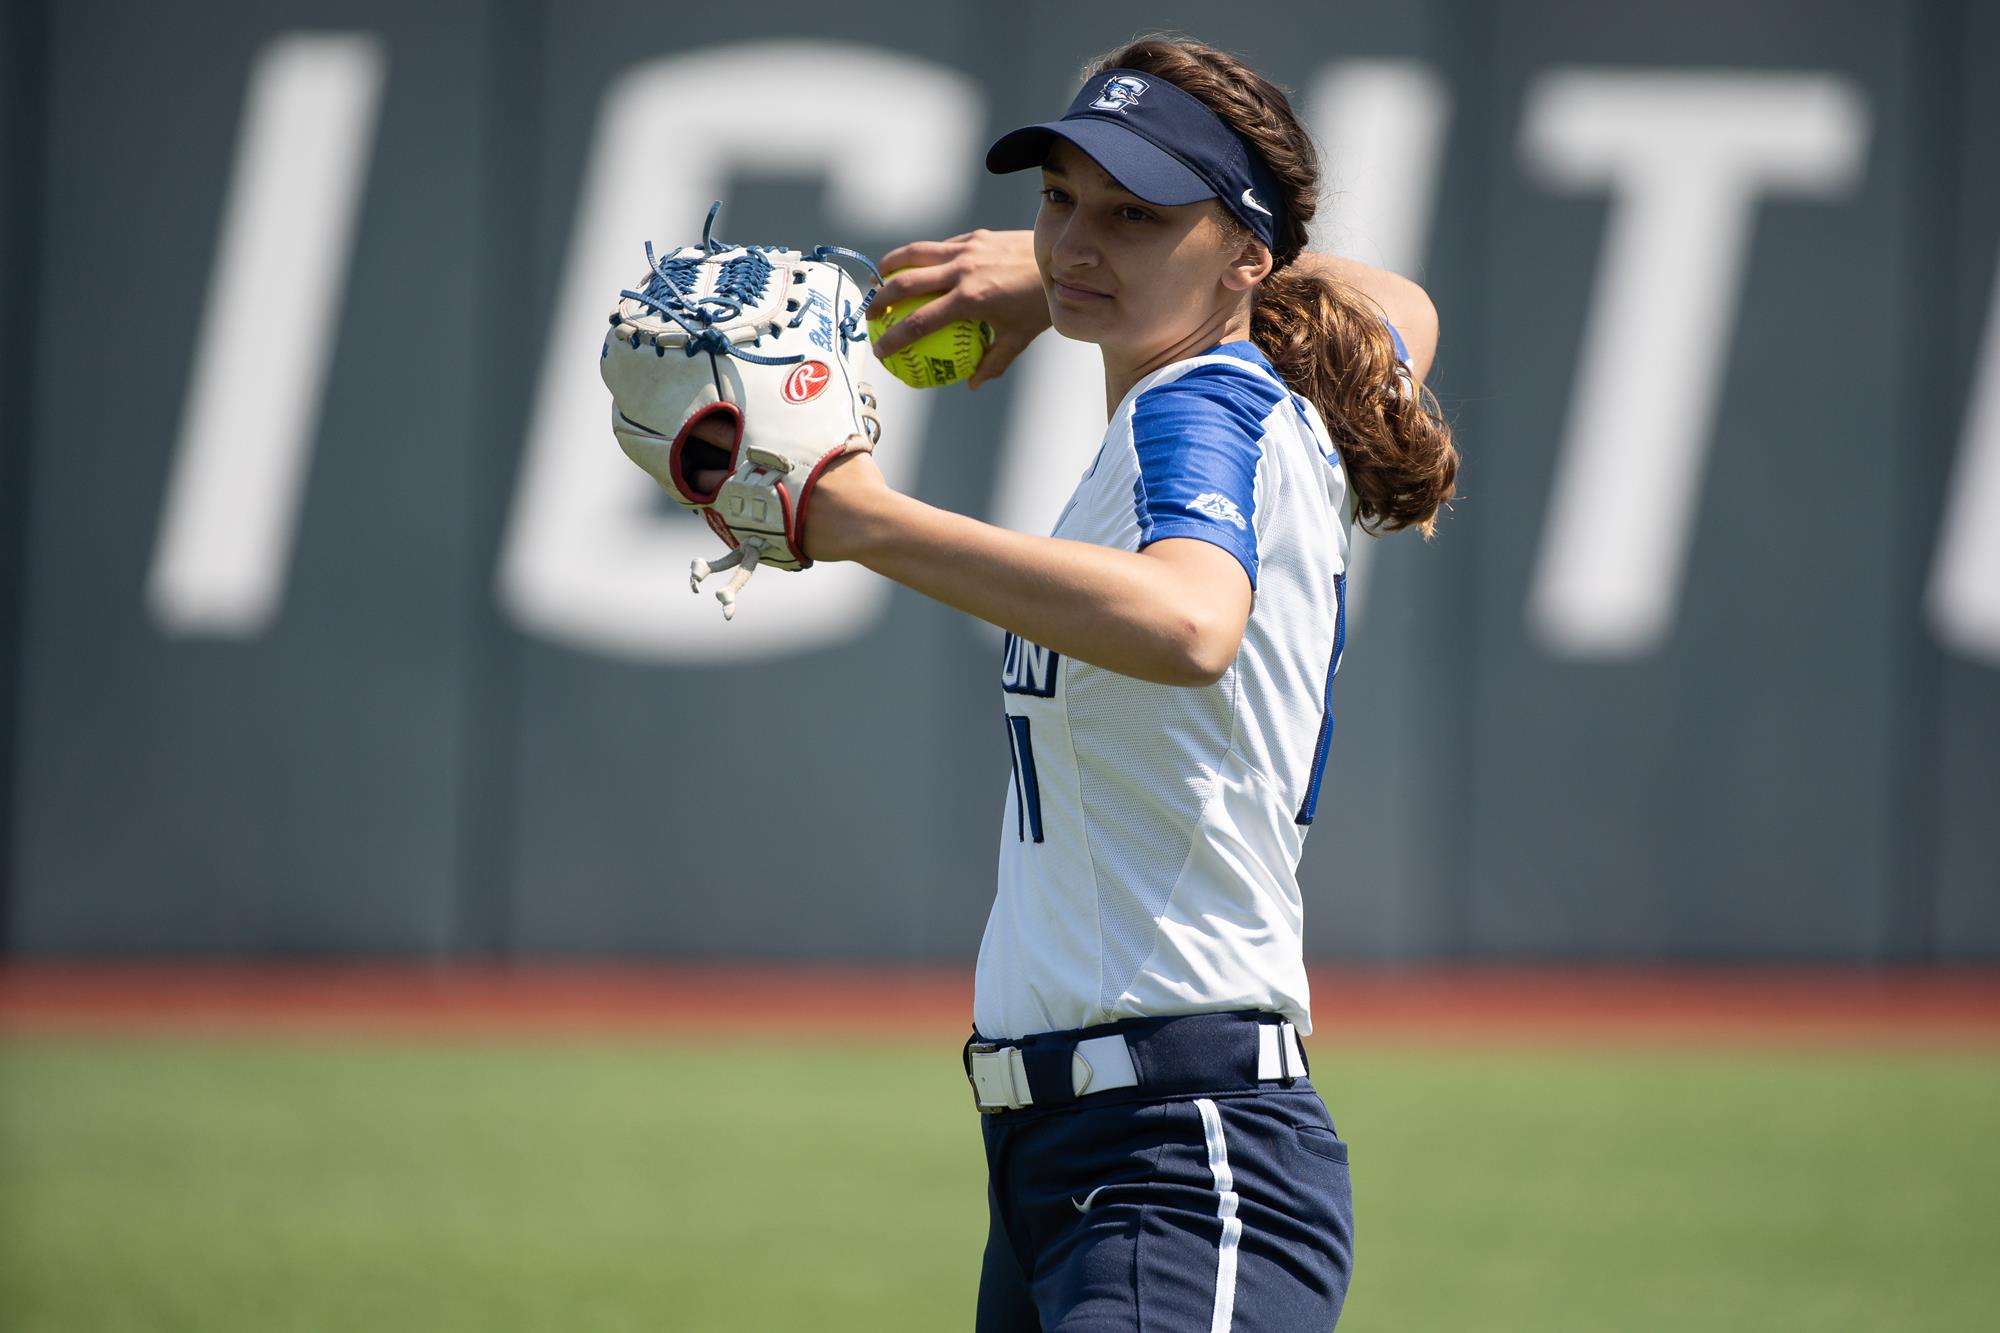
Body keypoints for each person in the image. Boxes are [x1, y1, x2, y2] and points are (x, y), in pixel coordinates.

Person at [697, 33, 1456, 1331]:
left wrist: (858, 517)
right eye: (1060, 198)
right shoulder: (1271, 380)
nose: (1078, 236)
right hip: (1077, 1155)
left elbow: (1189, 623)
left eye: (1137, 214)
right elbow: (1396, 302)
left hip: (1175, 1151)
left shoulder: (1198, 408)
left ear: (1247, 256)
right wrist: (1058, 273)